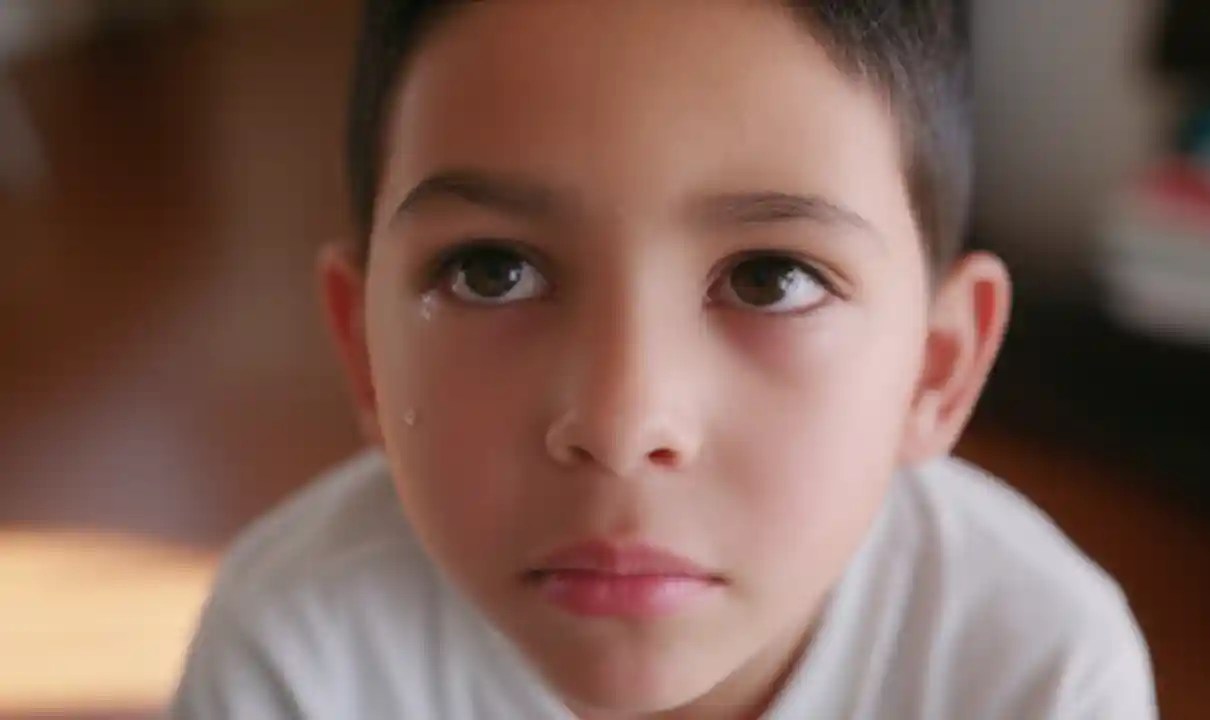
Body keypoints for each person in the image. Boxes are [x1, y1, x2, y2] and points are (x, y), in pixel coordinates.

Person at [173, 1, 1157, 717]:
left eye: (771, 278)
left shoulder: (1035, 670)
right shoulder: (297, 656)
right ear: (364, 354)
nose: (618, 420)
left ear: (934, 369)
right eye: (490, 270)